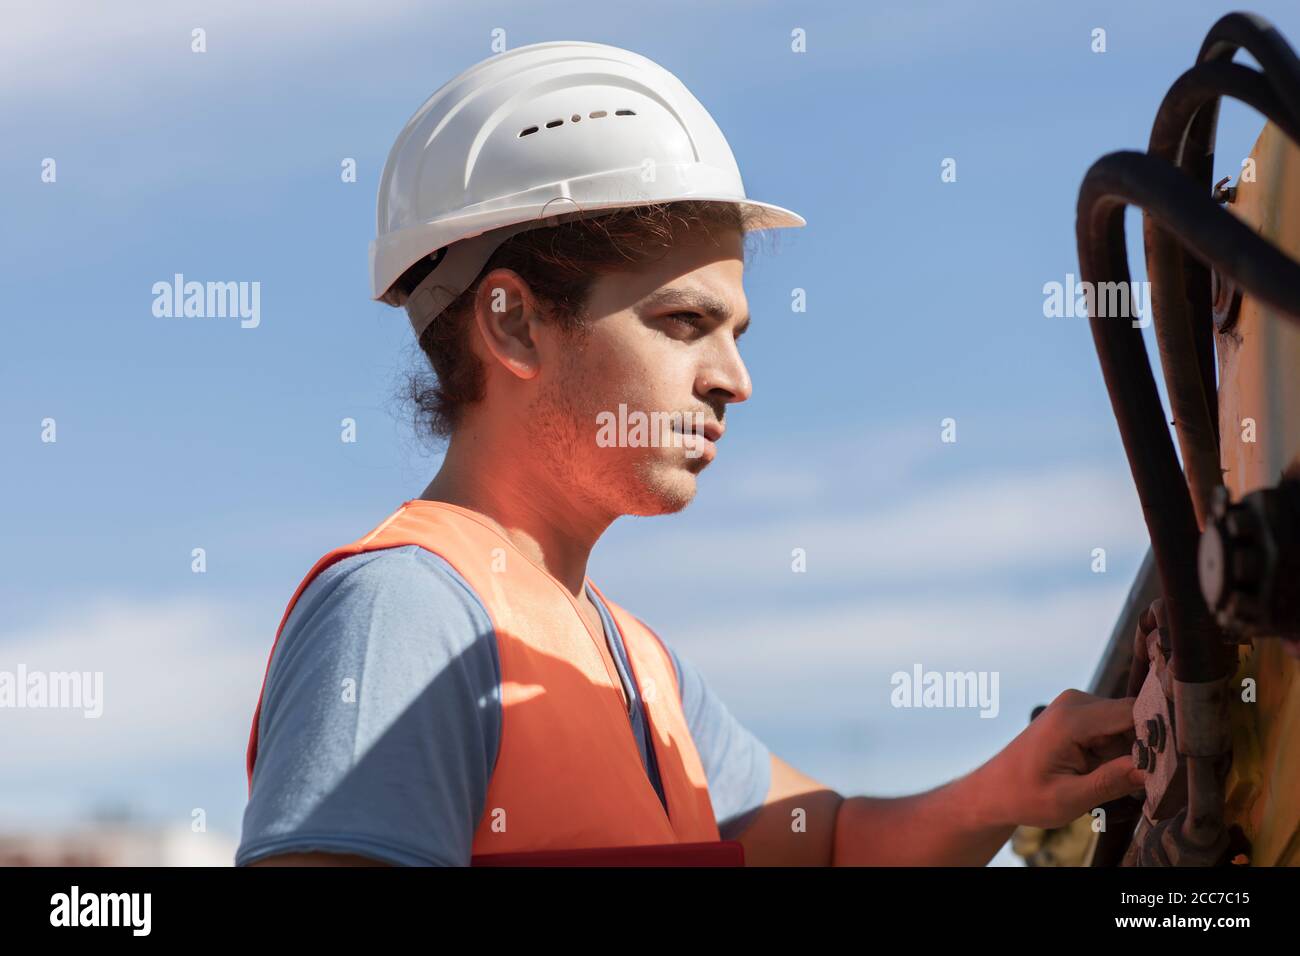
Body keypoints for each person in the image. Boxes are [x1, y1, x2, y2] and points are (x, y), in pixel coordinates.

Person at [236, 40, 1146, 867]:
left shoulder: (643, 668)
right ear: (512, 323)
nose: (734, 381)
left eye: (735, 334)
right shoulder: (402, 615)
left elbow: (832, 848)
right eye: (682, 322)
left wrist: (1008, 787)